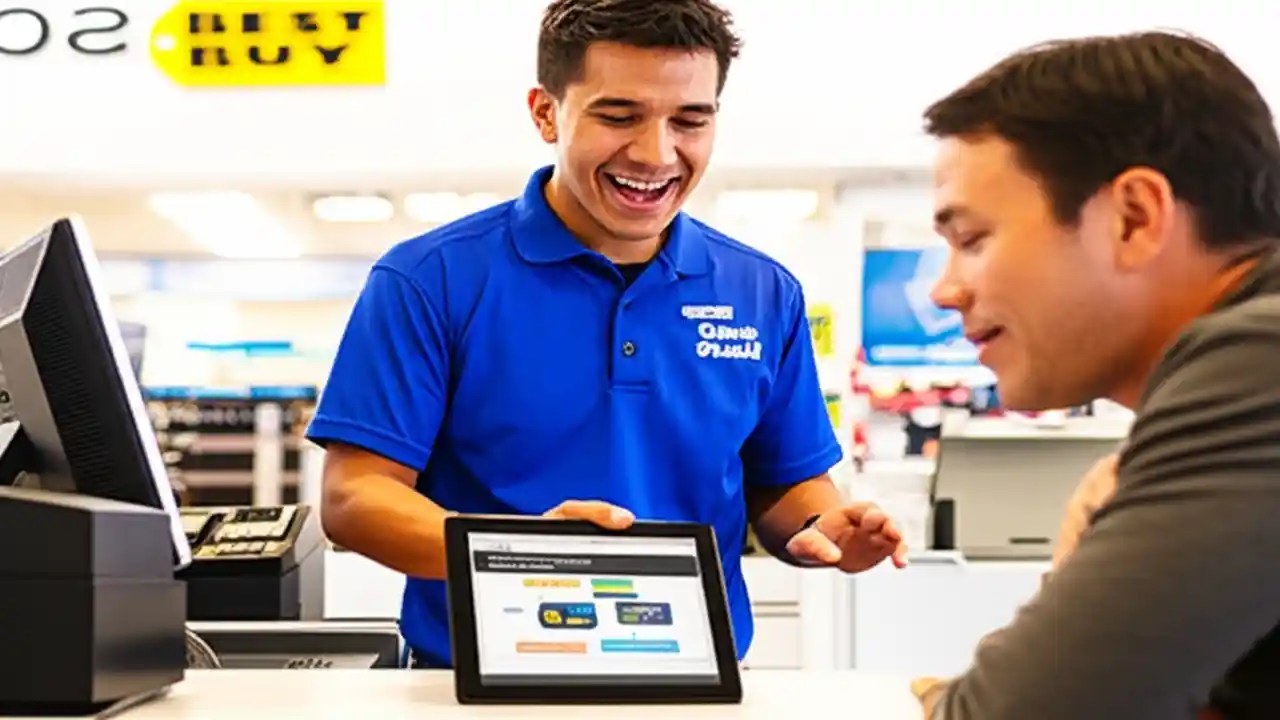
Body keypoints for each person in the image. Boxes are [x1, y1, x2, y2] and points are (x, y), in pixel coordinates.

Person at [306, 0, 907, 670]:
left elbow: (784, 481)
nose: (656, 154)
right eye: (618, 116)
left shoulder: (762, 292)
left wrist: (822, 526)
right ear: (545, 113)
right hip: (473, 683)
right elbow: (355, 498)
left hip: (699, 678)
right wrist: (521, 553)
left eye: (690, 121)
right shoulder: (429, 279)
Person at [910, 30, 1280, 719]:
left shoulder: (1259, 362)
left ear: (1133, 219)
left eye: (971, 240)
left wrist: (946, 698)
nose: (944, 290)